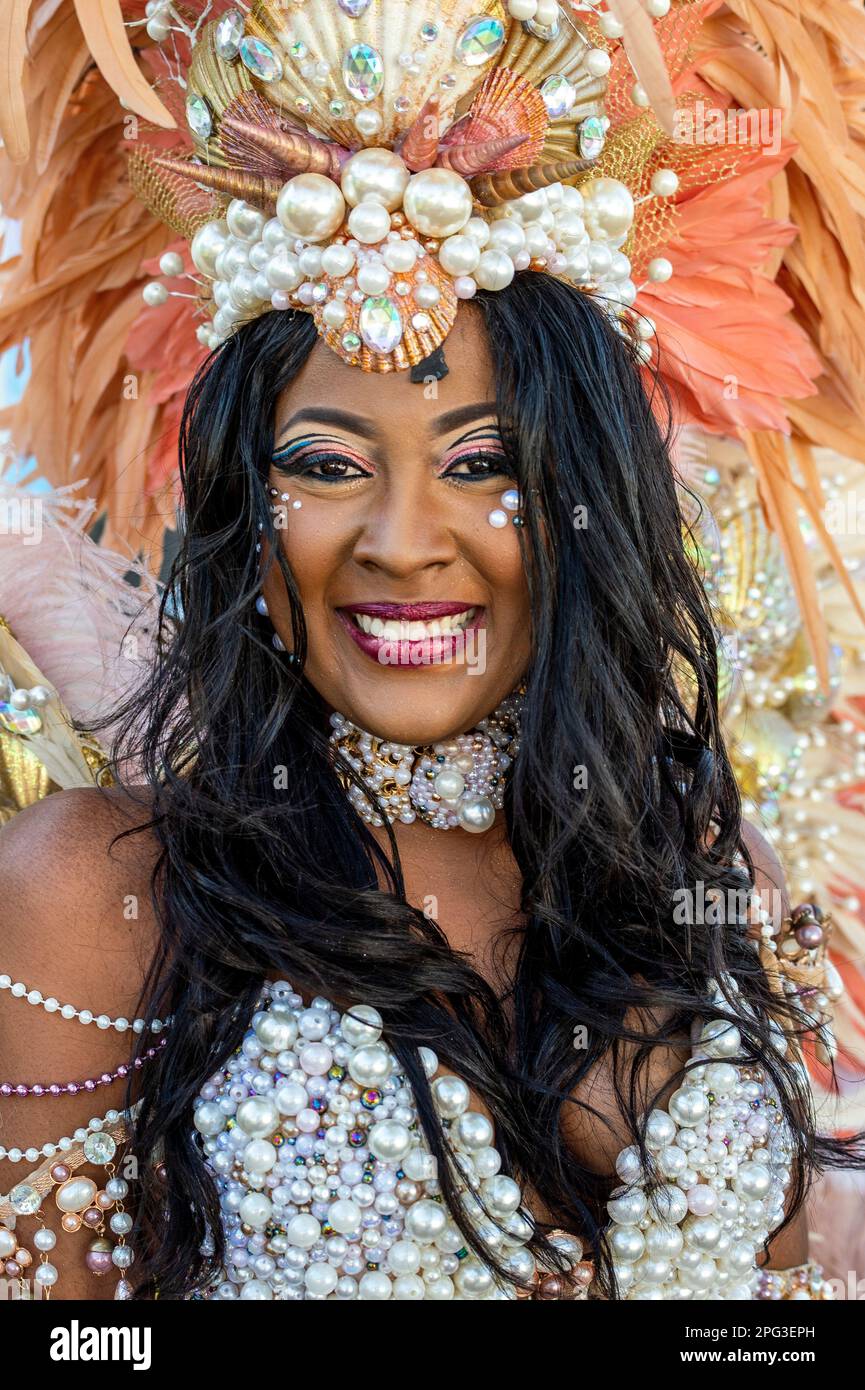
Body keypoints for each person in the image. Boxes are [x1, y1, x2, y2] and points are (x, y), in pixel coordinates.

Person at [0, 277, 845, 1300]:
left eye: (480, 462)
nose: (401, 543)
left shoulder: (702, 870)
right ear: (245, 513)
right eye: (328, 466)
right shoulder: (100, 891)